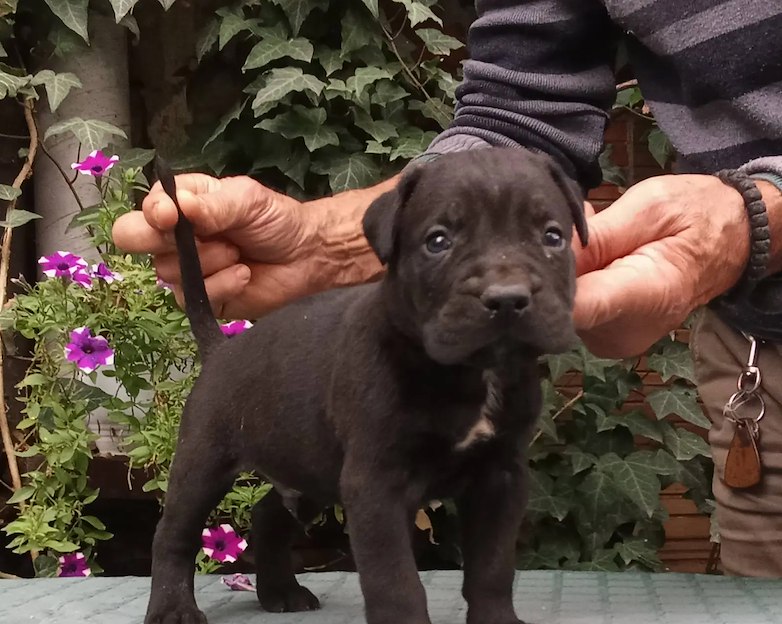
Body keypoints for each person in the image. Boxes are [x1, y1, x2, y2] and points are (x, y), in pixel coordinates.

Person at [113, 2, 782, 577]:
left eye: (548, 237)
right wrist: (327, 244)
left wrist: (756, 216)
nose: (505, 277)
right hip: (762, 361)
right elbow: (520, 115)